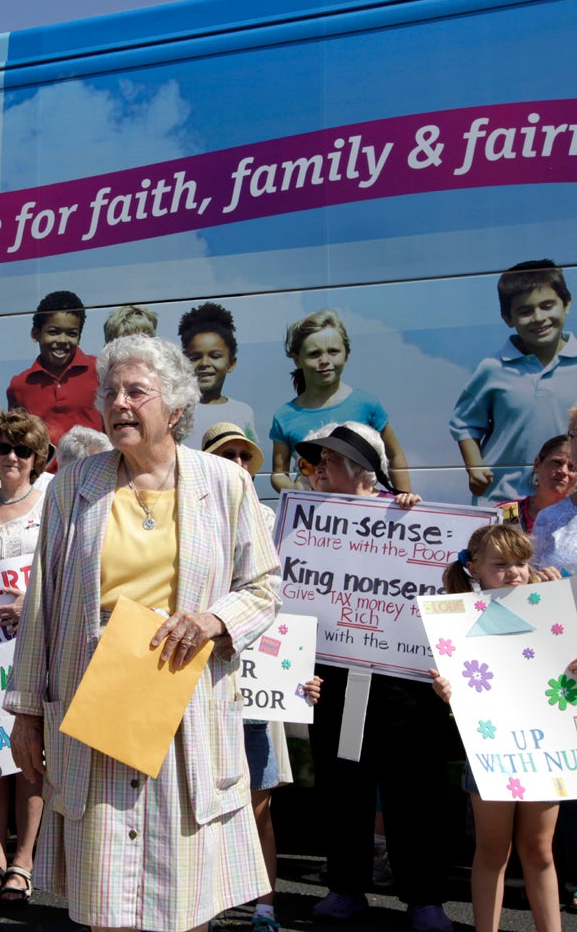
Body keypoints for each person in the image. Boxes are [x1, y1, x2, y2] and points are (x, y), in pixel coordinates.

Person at [6, 334, 279, 932]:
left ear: (176, 408)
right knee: (107, 905)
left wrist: (213, 621)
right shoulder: (75, 486)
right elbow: (44, 607)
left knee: (183, 907)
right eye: (111, 392)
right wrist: (26, 712)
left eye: (137, 392)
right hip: (97, 709)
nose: (119, 403)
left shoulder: (224, 484)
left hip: (187, 716)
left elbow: (263, 587)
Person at [295, 423, 453, 932]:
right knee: (343, 785)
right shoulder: (310, 522)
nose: (320, 469)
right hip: (336, 679)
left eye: (331, 461)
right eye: (317, 460)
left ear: (362, 470)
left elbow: (452, 574)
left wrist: (413, 515)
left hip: (401, 686)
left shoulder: (408, 514)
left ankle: (424, 899)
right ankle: (345, 888)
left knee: (413, 788)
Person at [200, 421, 323, 932]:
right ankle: (206, 901)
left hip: (260, 687)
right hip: (204, 687)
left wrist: (302, 672)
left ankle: (265, 906)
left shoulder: (278, 523)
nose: (239, 465)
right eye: (226, 455)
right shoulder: (193, 519)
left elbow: (302, 602)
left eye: (246, 456)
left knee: (258, 802)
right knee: (202, 804)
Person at [430, 524, 564, 932]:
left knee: (540, 851)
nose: (514, 573)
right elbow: (459, 684)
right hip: (491, 749)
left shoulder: (552, 609)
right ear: (475, 569)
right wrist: (447, 689)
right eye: (500, 564)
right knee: (493, 851)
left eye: (521, 563)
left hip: (546, 744)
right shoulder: (457, 618)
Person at [0, 408, 51, 906]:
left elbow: (64, 569)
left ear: (37, 456)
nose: (12, 457)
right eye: (3, 448)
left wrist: (31, 601)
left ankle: (24, 860)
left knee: (28, 756)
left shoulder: (51, 503)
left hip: (34, 650)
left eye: (23, 449)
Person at [451, 259, 577, 504]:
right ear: (507, 317)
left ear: (567, 304)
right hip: (503, 499)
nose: (538, 317)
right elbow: (464, 423)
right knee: (505, 543)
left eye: (547, 305)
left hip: (567, 501)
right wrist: (474, 467)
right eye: (525, 311)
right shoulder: (493, 369)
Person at [269, 309, 411, 494]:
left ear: (346, 355)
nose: (325, 360)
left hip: (364, 513)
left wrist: (404, 503)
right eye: (314, 354)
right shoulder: (285, 415)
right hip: (313, 515)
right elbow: (278, 473)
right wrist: (296, 490)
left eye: (333, 351)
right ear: (297, 360)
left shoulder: (366, 404)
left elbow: (394, 455)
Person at [6, 291, 102, 462]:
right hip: (42, 482)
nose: (63, 340)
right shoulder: (20, 386)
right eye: (54, 332)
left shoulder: (100, 371)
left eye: (72, 333)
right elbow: (16, 442)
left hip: (94, 475)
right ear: (35, 334)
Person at [179, 303, 258, 449]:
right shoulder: (176, 410)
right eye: (195, 357)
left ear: (231, 363)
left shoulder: (242, 412)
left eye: (215, 356)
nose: (204, 363)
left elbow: (250, 459)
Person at [495, 434, 576, 533]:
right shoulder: (508, 512)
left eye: (572, 467)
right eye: (557, 462)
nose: (563, 471)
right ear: (537, 464)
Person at [533, 405, 577, 573]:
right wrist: (540, 581)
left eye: (569, 467)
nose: (562, 471)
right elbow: (529, 586)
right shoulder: (548, 518)